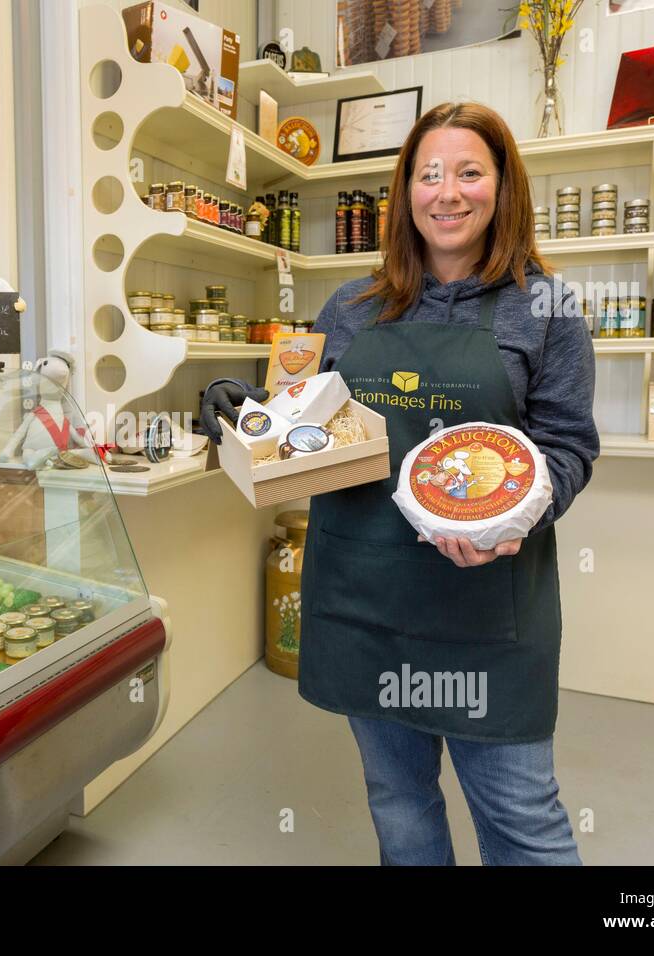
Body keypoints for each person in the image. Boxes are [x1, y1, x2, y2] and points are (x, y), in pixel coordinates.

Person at [200, 102, 599, 865]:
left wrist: (515, 520)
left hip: (489, 610)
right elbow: (302, 424)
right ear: (405, 192)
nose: (447, 192)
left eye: (470, 172)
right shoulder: (350, 308)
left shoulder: (546, 307)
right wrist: (238, 405)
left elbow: (568, 447)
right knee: (400, 807)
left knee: (523, 821)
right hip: (367, 602)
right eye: (429, 174)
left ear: (503, 187)